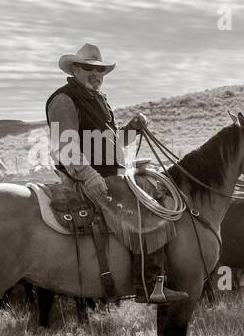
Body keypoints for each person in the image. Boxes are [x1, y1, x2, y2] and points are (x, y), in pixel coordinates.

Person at [46, 43, 186, 303]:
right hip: (88, 178)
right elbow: (64, 146)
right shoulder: (65, 99)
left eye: (100, 70)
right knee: (149, 211)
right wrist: (88, 175)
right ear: (75, 69)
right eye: (88, 68)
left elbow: (112, 143)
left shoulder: (98, 100)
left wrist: (132, 128)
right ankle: (149, 286)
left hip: (111, 174)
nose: (96, 74)